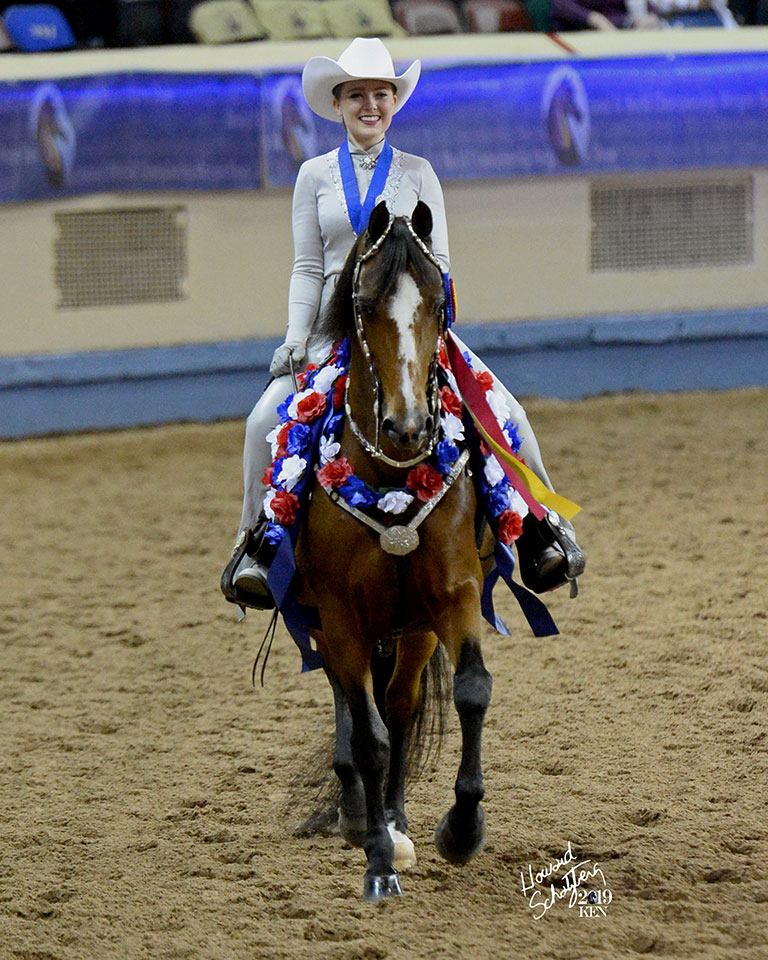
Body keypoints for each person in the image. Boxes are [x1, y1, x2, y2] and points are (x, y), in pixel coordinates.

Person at [223, 37, 583, 610]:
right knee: (260, 421)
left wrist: (431, 326)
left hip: (409, 331)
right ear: (338, 103)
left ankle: (544, 531)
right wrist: (295, 339)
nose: (371, 105)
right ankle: (256, 546)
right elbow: (308, 265)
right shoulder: (313, 176)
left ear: (395, 101)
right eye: (358, 94)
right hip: (334, 334)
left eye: (382, 94)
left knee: (506, 412)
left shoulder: (418, 173)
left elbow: (440, 265)